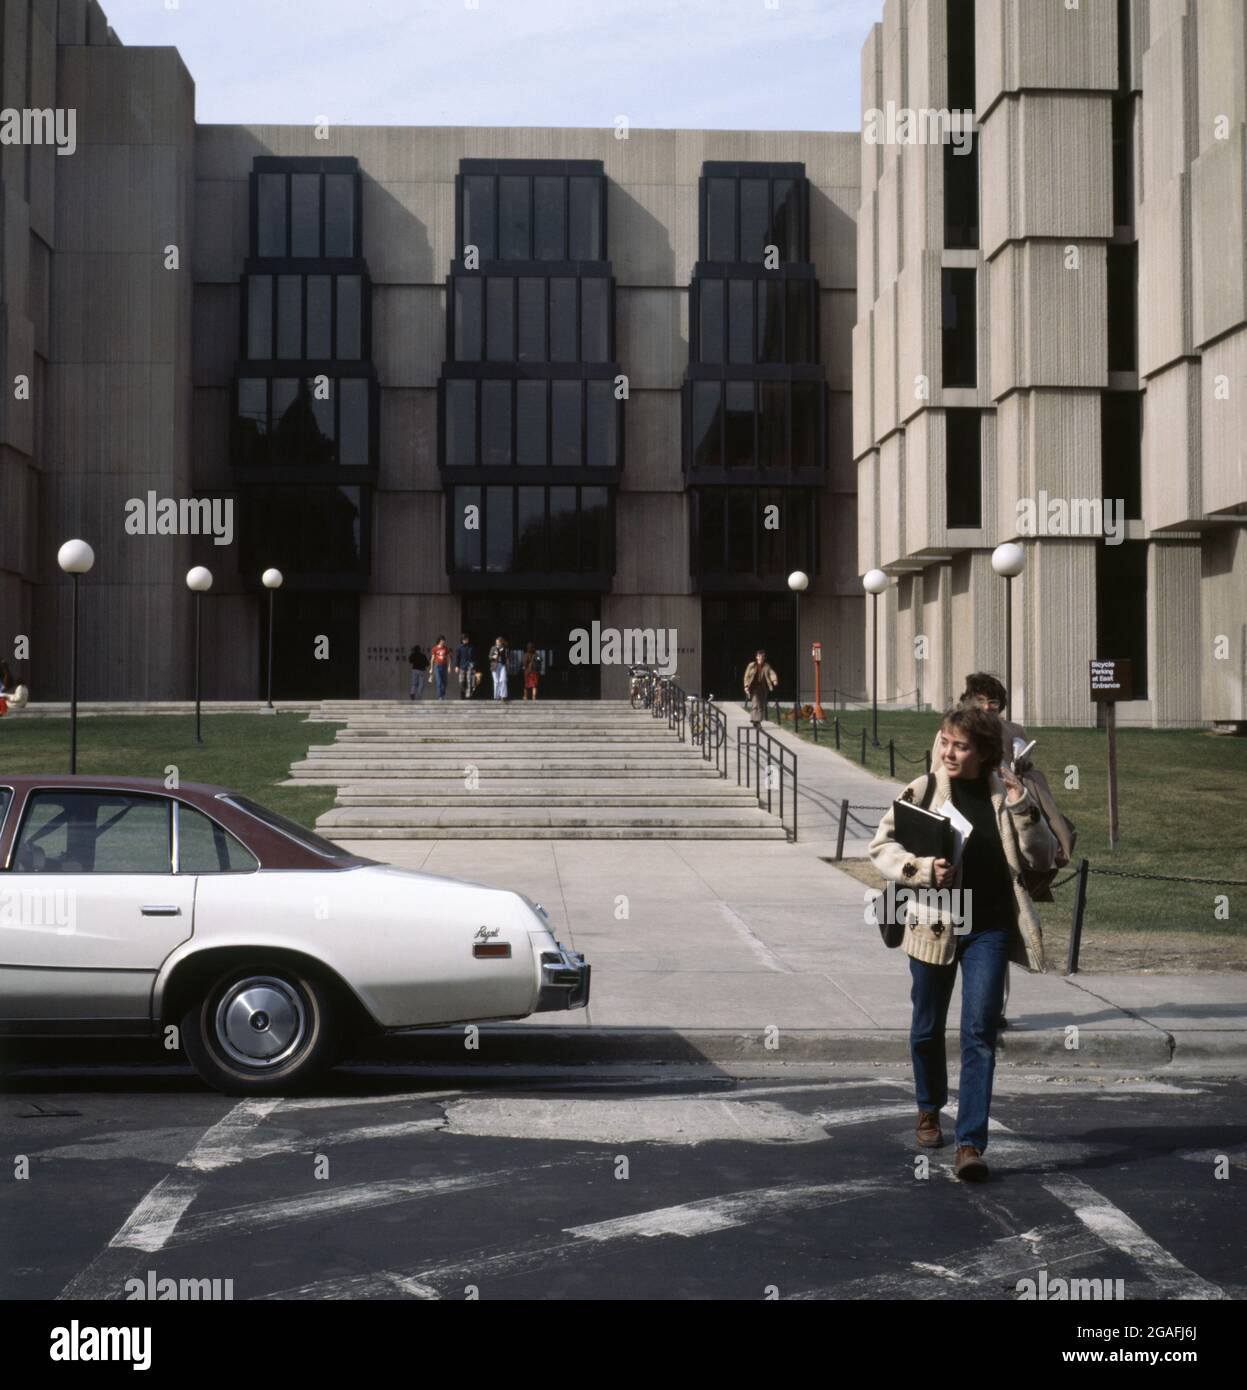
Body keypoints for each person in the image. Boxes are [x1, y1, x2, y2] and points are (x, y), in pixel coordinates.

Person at [870, 704, 1056, 1182]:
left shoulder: (1007, 795)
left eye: (962, 746)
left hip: (990, 925)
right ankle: (929, 1108)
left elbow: (1041, 858)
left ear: (985, 752)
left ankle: (970, 1143)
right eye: (946, 742)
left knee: (979, 1032)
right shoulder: (924, 790)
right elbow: (881, 847)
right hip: (935, 921)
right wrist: (920, 869)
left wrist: (1022, 807)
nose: (950, 752)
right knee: (927, 1027)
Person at [743, 649, 778, 725]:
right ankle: (755, 720)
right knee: (755, 703)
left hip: (763, 688)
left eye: (762, 656)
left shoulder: (766, 666)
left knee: (761, 705)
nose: (761, 658)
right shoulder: (751, 665)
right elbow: (746, 676)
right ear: (756, 657)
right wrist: (746, 685)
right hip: (753, 688)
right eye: (759, 656)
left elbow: (771, 673)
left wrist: (774, 680)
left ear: (764, 657)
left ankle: (757, 721)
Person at [453, 633, 476, 701]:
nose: (466, 640)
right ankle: (464, 691)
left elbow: (475, 657)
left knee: (469, 680)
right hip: (462, 665)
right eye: (464, 639)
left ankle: (468, 695)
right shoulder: (459, 648)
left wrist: (474, 665)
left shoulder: (472, 647)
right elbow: (457, 657)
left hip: (470, 665)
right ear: (462, 640)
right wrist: (456, 666)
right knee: (461, 681)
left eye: (467, 639)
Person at [428, 635, 450, 700]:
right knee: (439, 681)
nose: (443, 642)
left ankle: (442, 694)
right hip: (437, 666)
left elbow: (448, 658)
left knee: (444, 682)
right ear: (439, 641)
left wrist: (449, 667)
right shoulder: (434, 648)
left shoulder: (446, 648)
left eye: (444, 641)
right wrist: (431, 668)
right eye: (442, 641)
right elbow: (432, 659)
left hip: (444, 666)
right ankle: (440, 696)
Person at [489, 636, 509, 700]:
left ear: (501, 642)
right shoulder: (493, 648)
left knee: (503, 680)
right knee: (496, 681)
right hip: (494, 665)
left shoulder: (505, 649)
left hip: (502, 665)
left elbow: (507, 658)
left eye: (498, 642)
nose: (497, 643)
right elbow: (489, 657)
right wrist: (493, 657)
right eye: (496, 642)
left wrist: (507, 666)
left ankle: (503, 695)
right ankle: (496, 696)